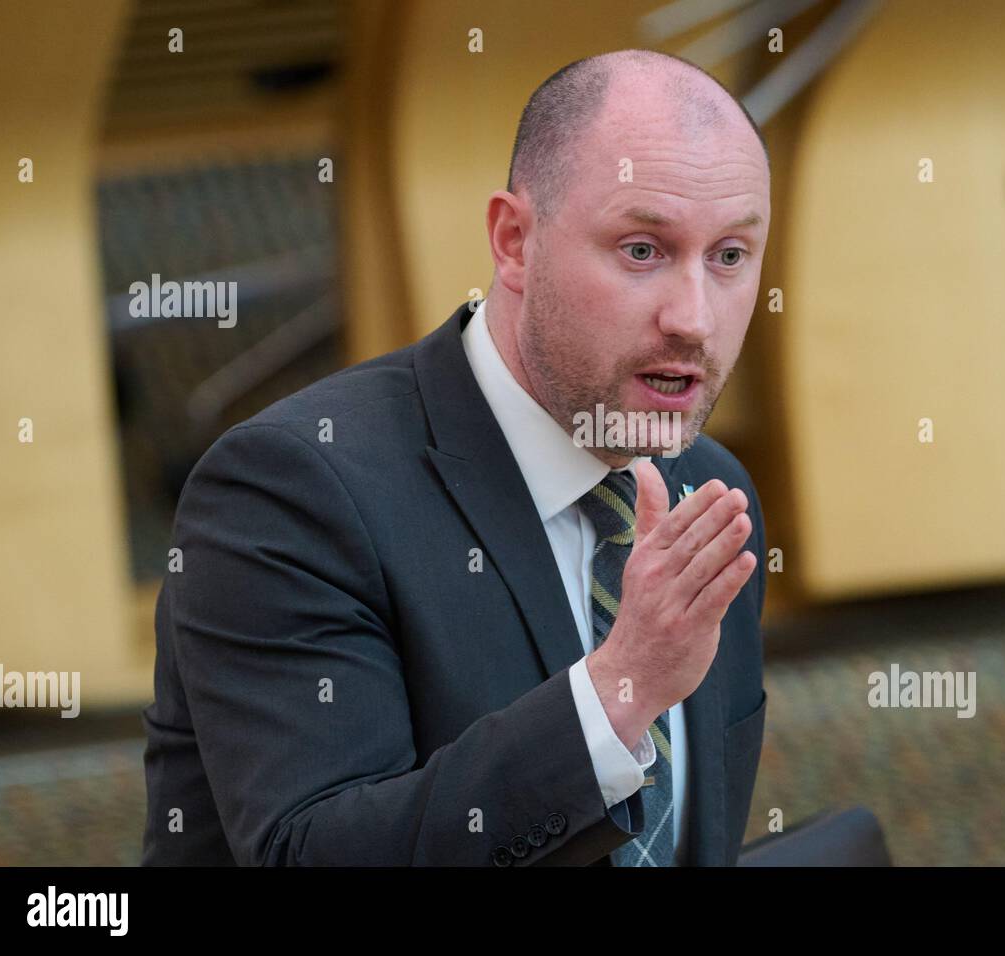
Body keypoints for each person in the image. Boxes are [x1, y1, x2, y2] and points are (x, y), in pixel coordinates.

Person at [141, 48, 771, 867]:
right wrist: (624, 689)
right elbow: (315, 853)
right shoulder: (289, 490)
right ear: (514, 241)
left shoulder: (711, 492)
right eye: (642, 250)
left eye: (729, 256)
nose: (694, 318)